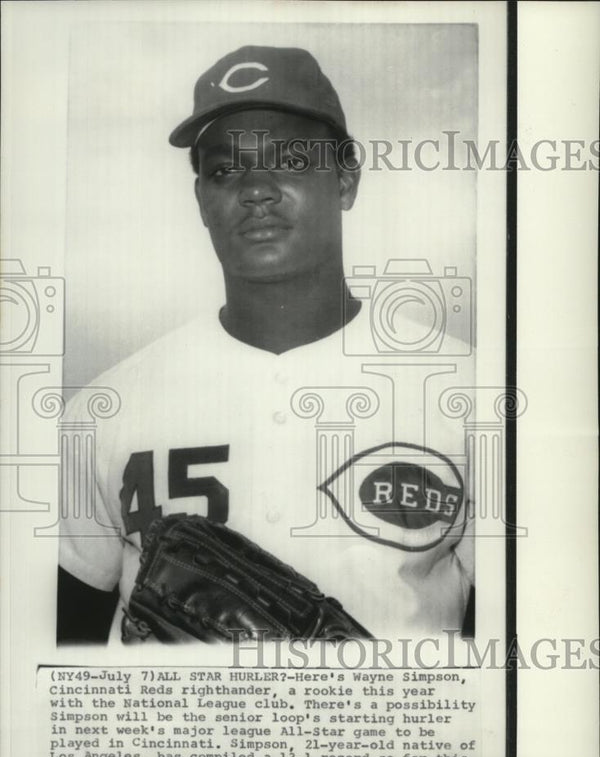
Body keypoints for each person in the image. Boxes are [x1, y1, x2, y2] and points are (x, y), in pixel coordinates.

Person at [57, 45, 474, 644]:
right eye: (224, 170)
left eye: (291, 160)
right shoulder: (106, 408)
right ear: (201, 199)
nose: (255, 188)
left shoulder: (469, 389)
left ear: (346, 179)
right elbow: (66, 636)